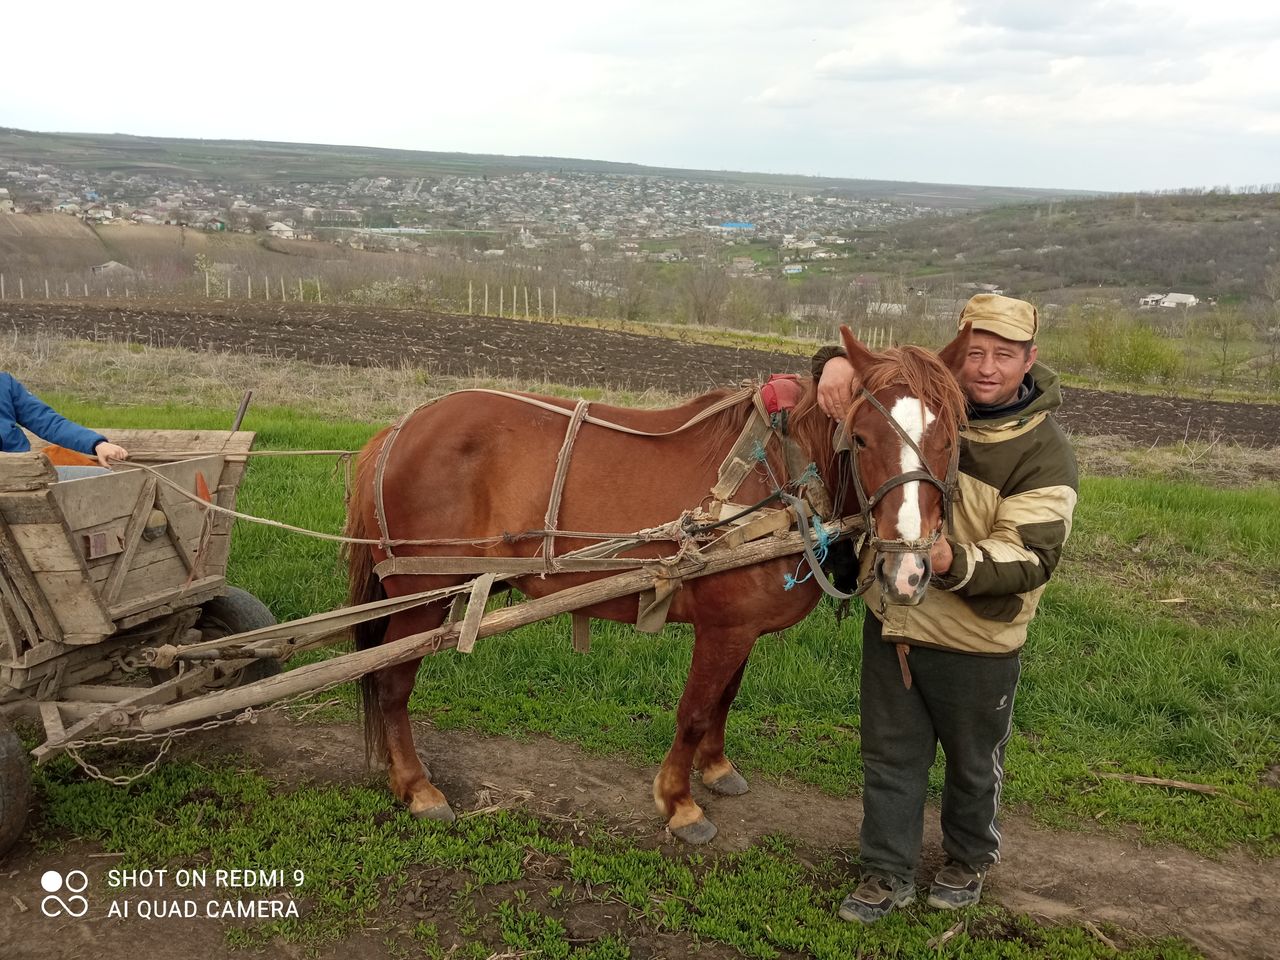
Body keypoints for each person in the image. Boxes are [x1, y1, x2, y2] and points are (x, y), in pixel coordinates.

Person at [813, 294, 1078, 923]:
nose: (986, 367)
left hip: (977, 638)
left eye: (1003, 355)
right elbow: (866, 376)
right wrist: (830, 362)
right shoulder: (923, 404)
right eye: (975, 352)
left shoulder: (1041, 450)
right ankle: (886, 871)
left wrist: (949, 560)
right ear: (957, 355)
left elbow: (1032, 558)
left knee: (972, 763)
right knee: (890, 756)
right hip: (897, 622)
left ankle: (967, 859)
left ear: (1029, 360)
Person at [1, 373, 129, 477]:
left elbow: (49, 422)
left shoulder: (5, 383)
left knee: (103, 479)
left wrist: (97, 444)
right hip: (9, 474)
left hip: (24, 467)